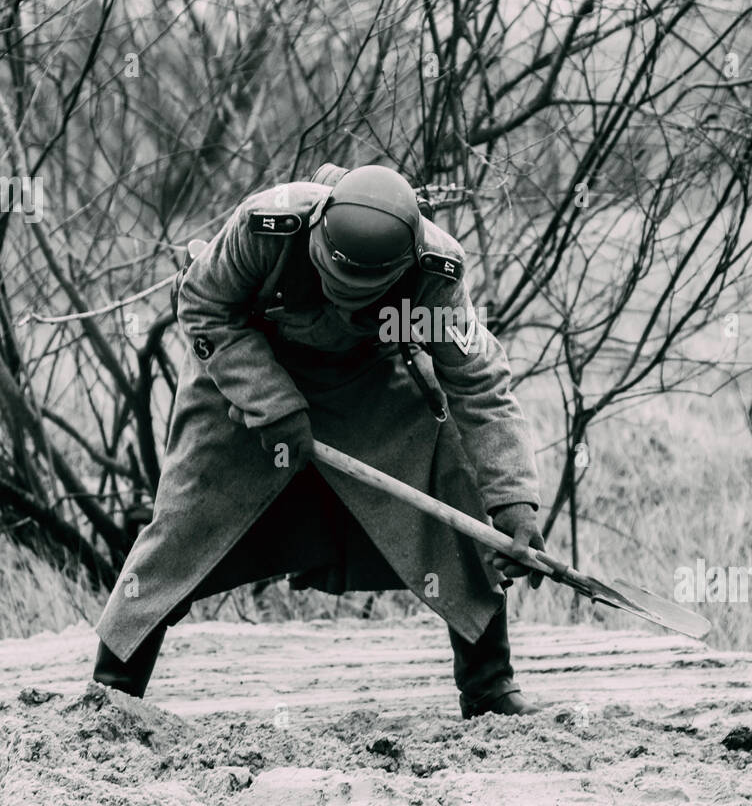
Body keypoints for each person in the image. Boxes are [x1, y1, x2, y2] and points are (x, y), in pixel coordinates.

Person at [93, 163, 547, 717]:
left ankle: (490, 687)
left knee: (456, 484)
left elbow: (479, 382)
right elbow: (204, 307)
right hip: (248, 371)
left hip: (366, 380)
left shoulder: (435, 274)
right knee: (188, 516)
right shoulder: (266, 225)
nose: (343, 298)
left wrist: (515, 501)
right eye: (334, 278)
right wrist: (274, 403)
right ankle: (111, 695)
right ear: (318, 231)